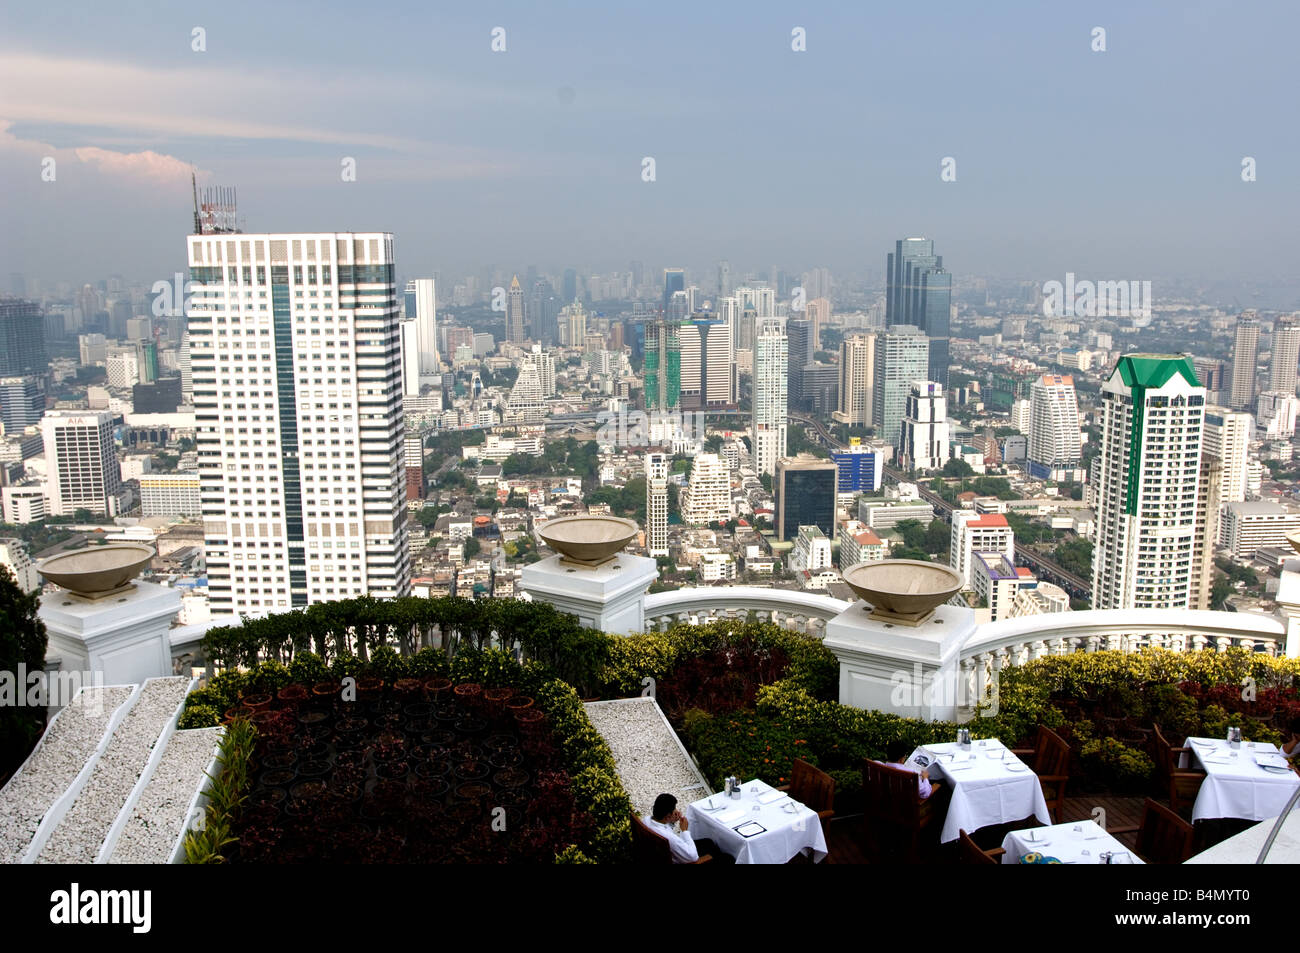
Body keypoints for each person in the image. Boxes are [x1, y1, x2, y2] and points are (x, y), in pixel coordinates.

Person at [643, 793, 732, 863]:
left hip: (659, 855)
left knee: (709, 843)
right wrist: (684, 830)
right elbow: (693, 856)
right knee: (728, 858)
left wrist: (672, 821)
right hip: (681, 860)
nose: (676, 811)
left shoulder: (646, 820)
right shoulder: (669, 838)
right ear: (667, 816)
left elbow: (665, 827)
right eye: (674, 809)